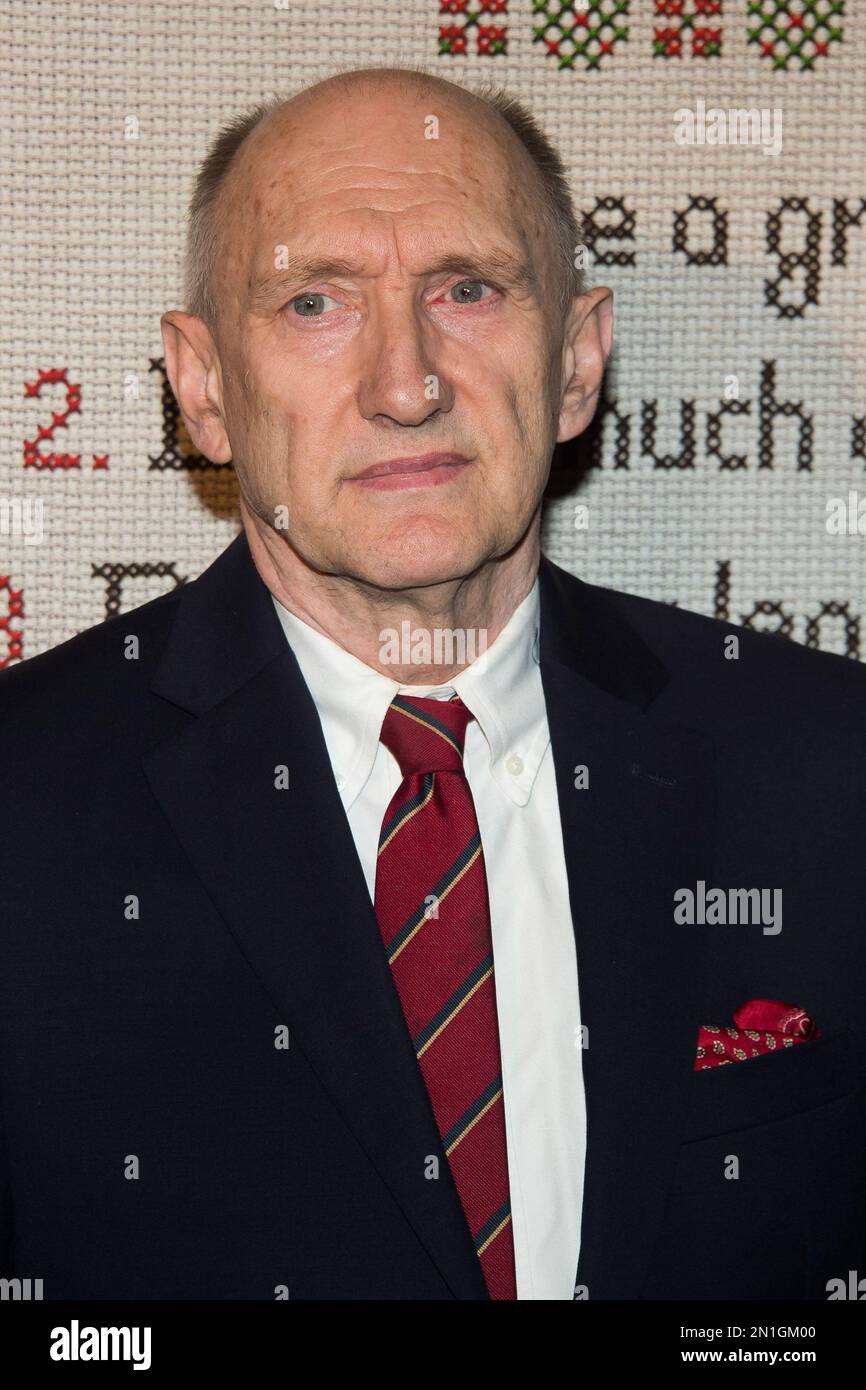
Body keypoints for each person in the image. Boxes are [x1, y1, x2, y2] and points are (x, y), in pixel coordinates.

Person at [0, 65, 863, 1301]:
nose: (405, 384)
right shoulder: (19, 810)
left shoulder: (835, 771)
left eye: (466, 290)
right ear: (201, 391)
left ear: (574, 363)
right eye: (312, 303)